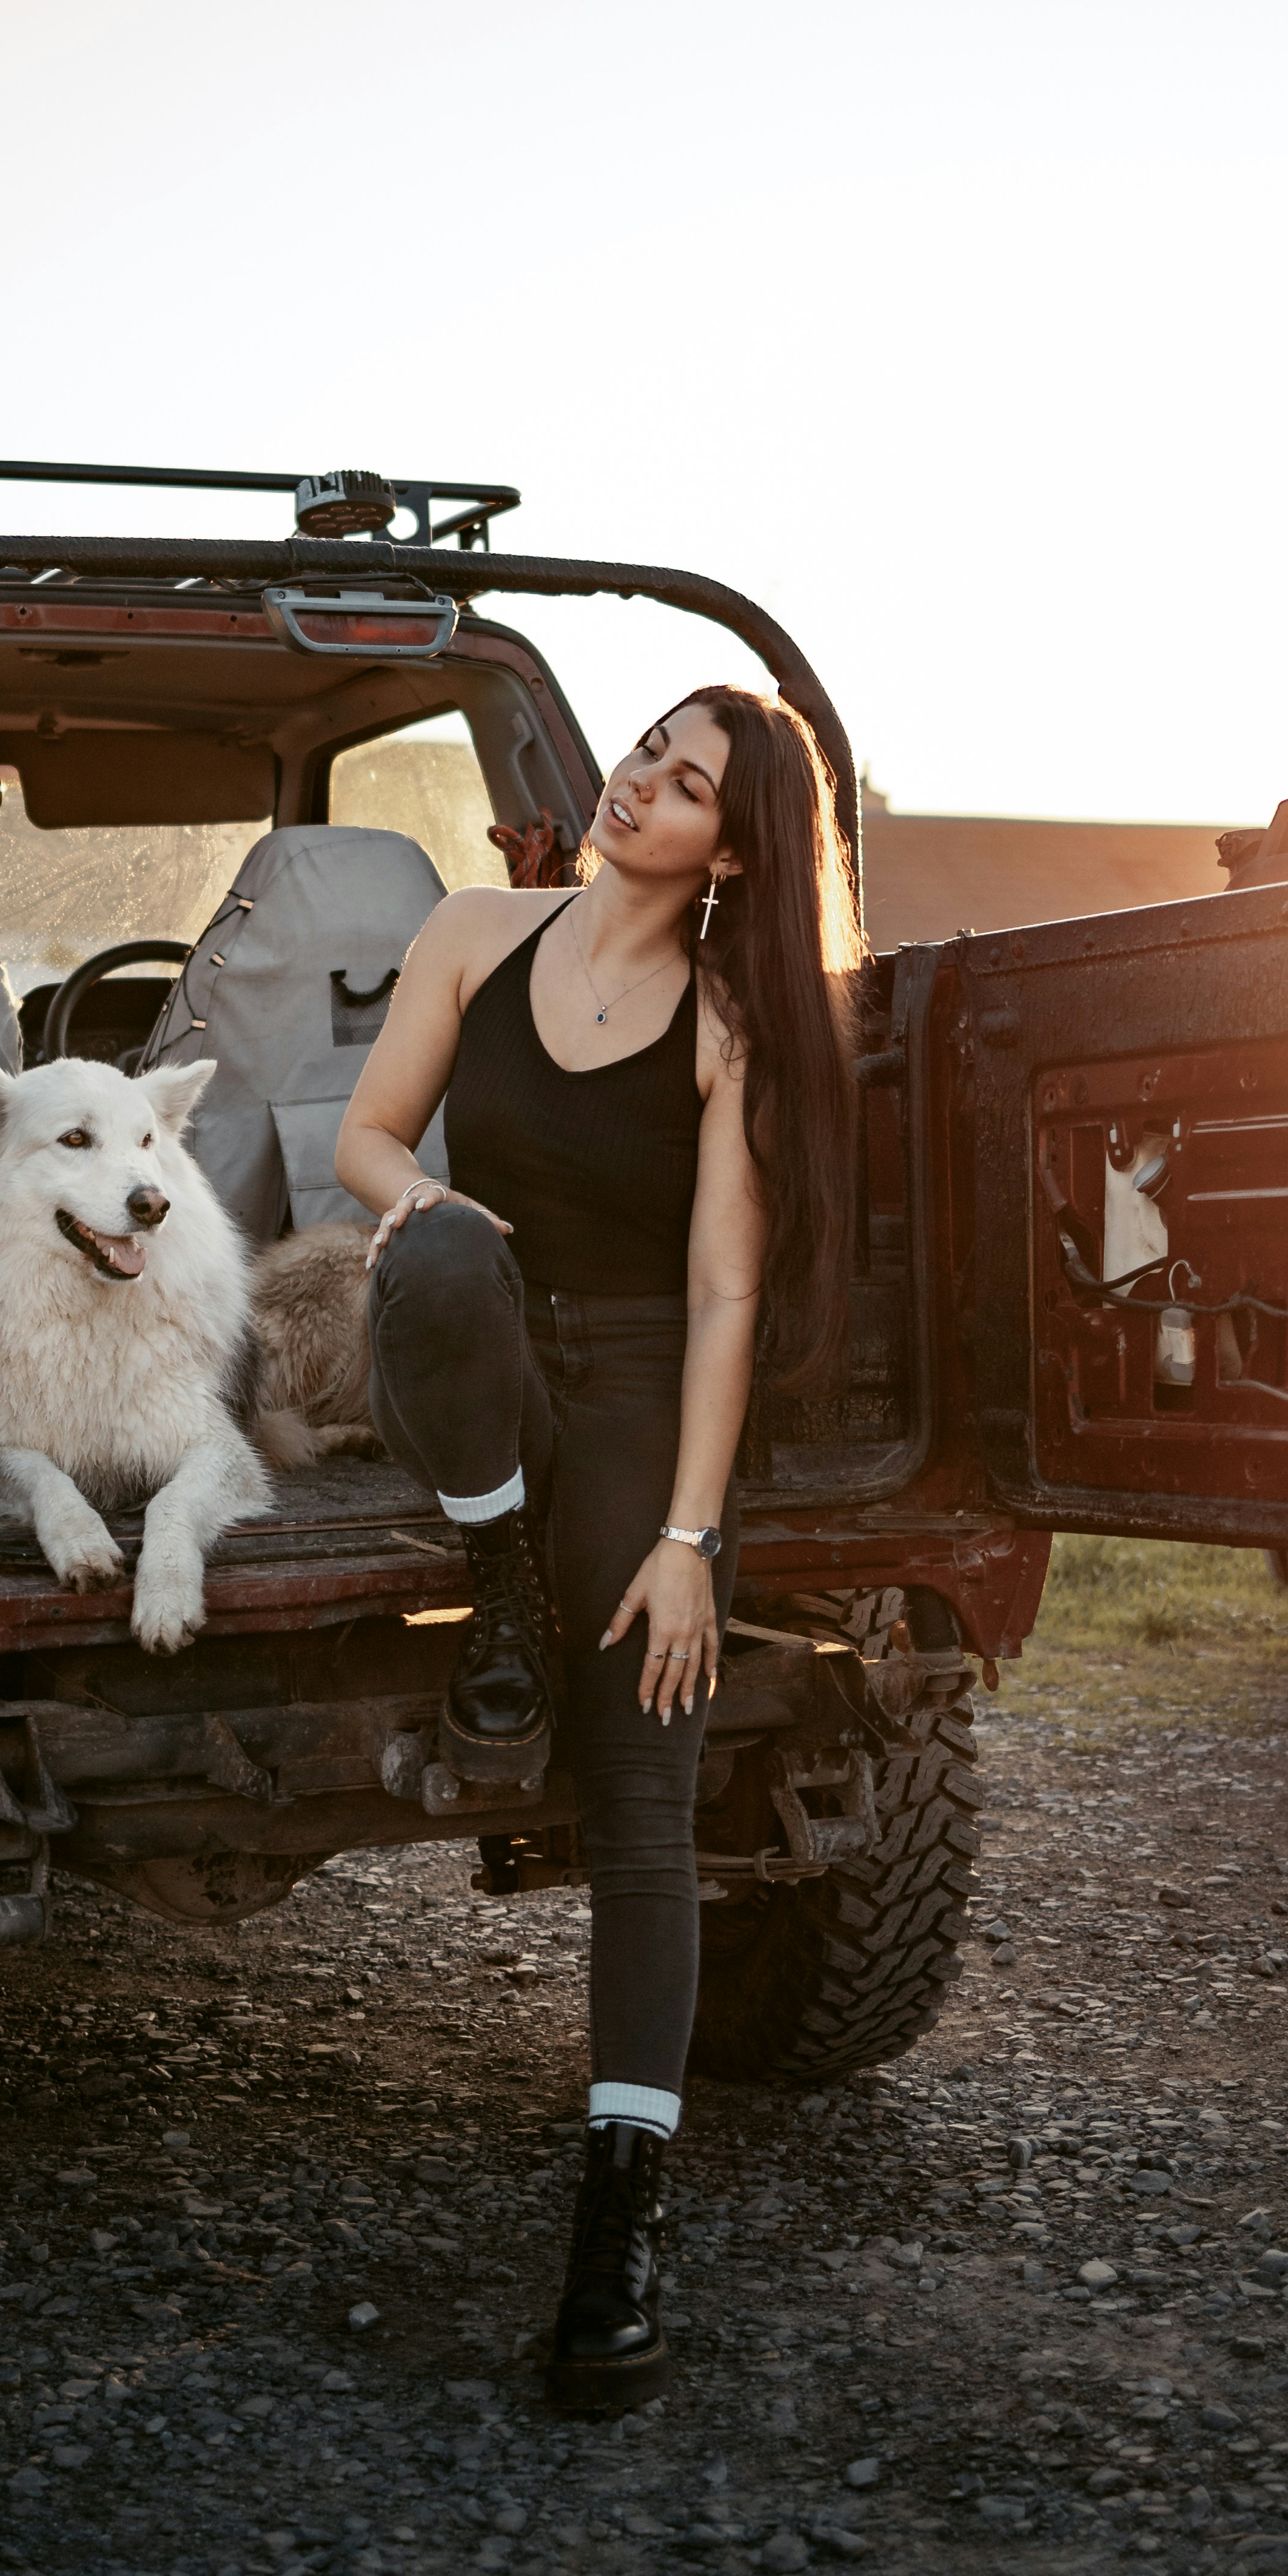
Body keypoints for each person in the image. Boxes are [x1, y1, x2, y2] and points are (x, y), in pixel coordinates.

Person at [335, 683, 861, 2409]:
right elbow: (367, 1138)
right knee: (431, 1256)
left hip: (638, 1373)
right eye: (646, 748)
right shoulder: (474, 931)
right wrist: (427, 1207)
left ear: (735, 842)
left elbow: (723, 1289)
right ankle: (502, 1591)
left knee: (645, 1799)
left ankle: (621, 2223)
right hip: (476, 1337)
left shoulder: (727, 1019)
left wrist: (694, 1535)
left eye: (690, 782)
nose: (644, 783)